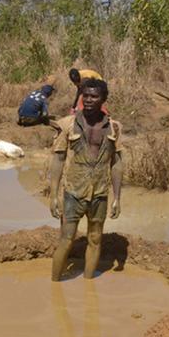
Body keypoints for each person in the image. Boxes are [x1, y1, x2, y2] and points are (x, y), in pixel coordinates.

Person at [49, 78, 123, 281]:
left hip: (100, 193)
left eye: (94, 96)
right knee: (66, 239)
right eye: (86, 96)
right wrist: (53, 195)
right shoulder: (68, 124)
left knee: (95, 238)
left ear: (103, 99)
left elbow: (116, 163)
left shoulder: (114, 128)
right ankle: (54, 285)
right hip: (74, 192)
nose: (89, 100)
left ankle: (89, 284)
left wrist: (117, 197)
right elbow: (58, 159)